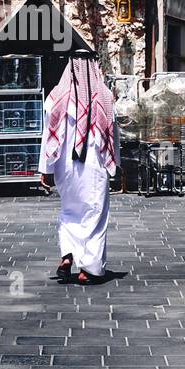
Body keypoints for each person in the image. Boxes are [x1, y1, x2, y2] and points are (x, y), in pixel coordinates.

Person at [38, 53, 120, 284]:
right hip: (95, 167)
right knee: (94, 214)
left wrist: (46, 168)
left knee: (69, 210)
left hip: (65, 167)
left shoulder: (56, 97)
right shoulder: (104, 96)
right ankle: (89, 269)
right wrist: (117, 164)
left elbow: (48, 136)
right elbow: (113, 135)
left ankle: (67, 255)